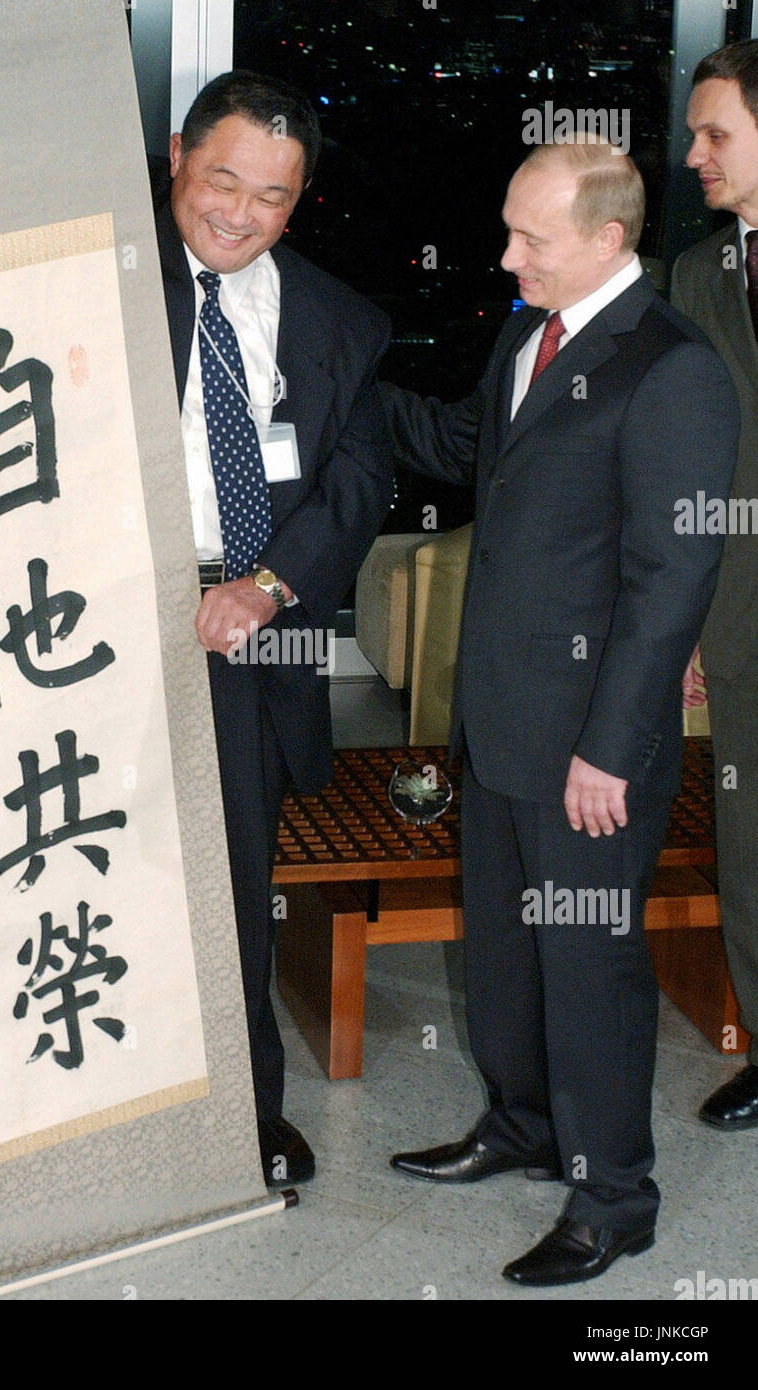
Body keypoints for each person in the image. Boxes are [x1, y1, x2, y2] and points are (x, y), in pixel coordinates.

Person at [381, 139, 739, 1285]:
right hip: (497, 722)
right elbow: (471, 449)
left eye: (530, 238)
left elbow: (671, 580)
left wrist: (609, 747)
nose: (506, 256)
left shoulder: (671, 367)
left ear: (607, 240)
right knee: (506, 952)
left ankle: (613, 1194)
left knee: (590, 968)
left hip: (590, 743)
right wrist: (336, 389)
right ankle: (524, 1124)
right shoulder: (531, 338)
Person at [153, 71, 393, 1186]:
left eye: (273, 196)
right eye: (221, 179)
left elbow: (356, 479)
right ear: (175, 159)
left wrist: (269, 585)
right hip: (91, 619)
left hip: (248, 629)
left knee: (240, 881)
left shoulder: (341, 319)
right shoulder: (89, 286)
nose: (239, 213)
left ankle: (247, 1115)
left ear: (298, 204)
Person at [673, 39, 758, 1131]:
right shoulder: (697, 275)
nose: (695, 153)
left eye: (716, 132)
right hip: (744, 616)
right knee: (751, 847)